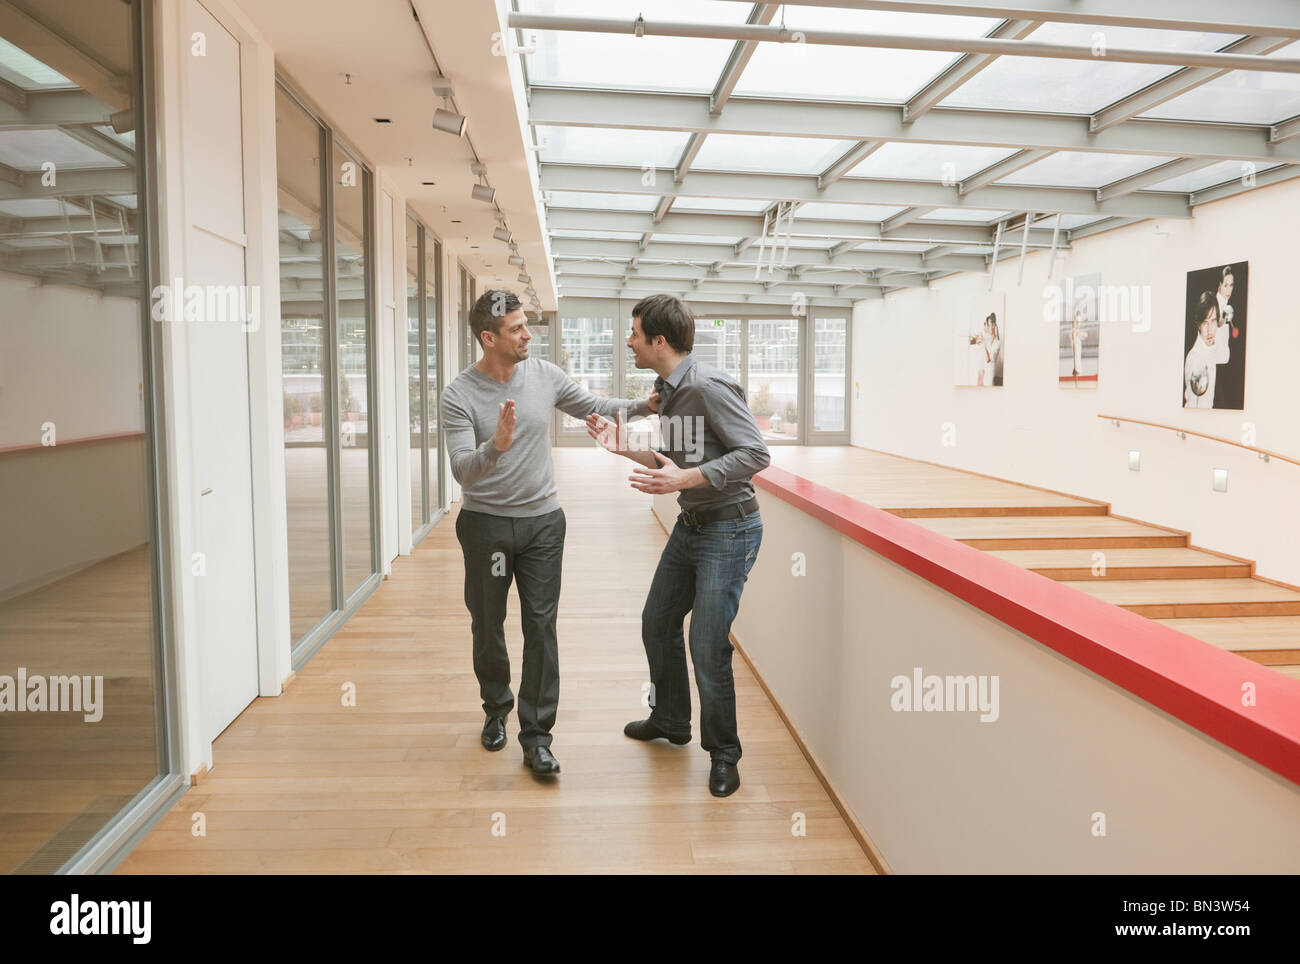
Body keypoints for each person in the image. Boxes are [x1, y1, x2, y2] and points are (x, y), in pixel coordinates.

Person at [441, 289, 656, 775]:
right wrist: (495, 447)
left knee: (540, 626)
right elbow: (462, 472)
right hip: (485, 526)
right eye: (516, 328)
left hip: (542, 524)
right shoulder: (459, 395)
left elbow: (596, 405)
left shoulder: (545, 376)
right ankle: (496, 709)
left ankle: (537, 737)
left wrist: (647, 403)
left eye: (525, 324)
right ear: (487, 338)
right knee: (488, 625)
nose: (527, 335)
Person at [586, 294, 770, 797]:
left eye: (635, 334)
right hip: (693, 526)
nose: (629, 342)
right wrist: (623, 447)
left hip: (730, 529)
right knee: (657, 621)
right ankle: (670, 719)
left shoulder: (708, 386)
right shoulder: (666, 391)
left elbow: (756, 453)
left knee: (707, 645)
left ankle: (725, 755)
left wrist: (687, 478)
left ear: (658, 341)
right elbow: (673, 458)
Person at [1183, 290, 1229, 409]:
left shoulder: (1211, 347)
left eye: (1213, 321)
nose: (1209, 330)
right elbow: (1193, 406)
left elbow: (1224, 357)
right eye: (1205, 323)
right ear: (1198, 325)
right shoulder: (1196, 360)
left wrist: (1223, 299)